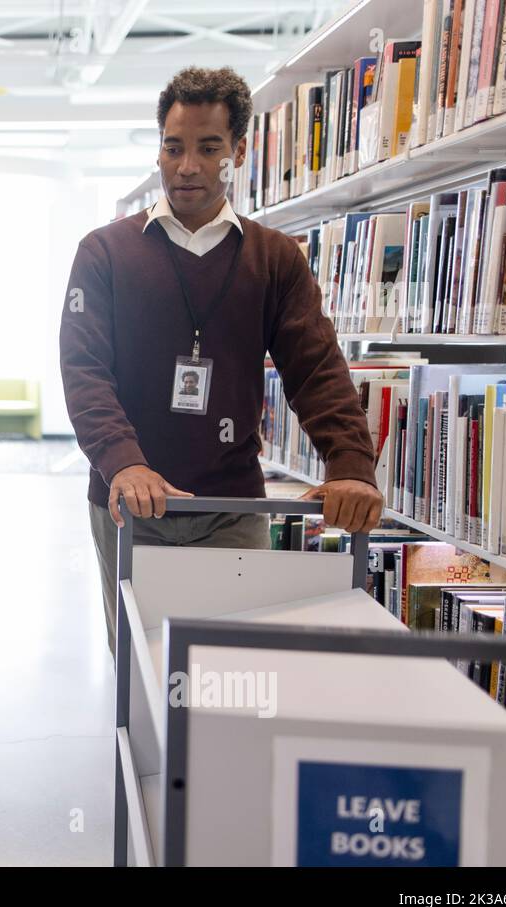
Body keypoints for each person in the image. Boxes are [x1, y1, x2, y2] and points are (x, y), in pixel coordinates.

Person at [58, 66, 384, 655]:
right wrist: (122, 462)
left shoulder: (275, 258)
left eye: (208, 148)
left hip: (231, 509)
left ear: (237, 150)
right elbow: (84, 371)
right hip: (129, 506)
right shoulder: (104, 252)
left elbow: (316, 367)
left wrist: (351, 462)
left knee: (233, 680)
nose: (187, 166)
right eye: (173, 147)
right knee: (139, 677)